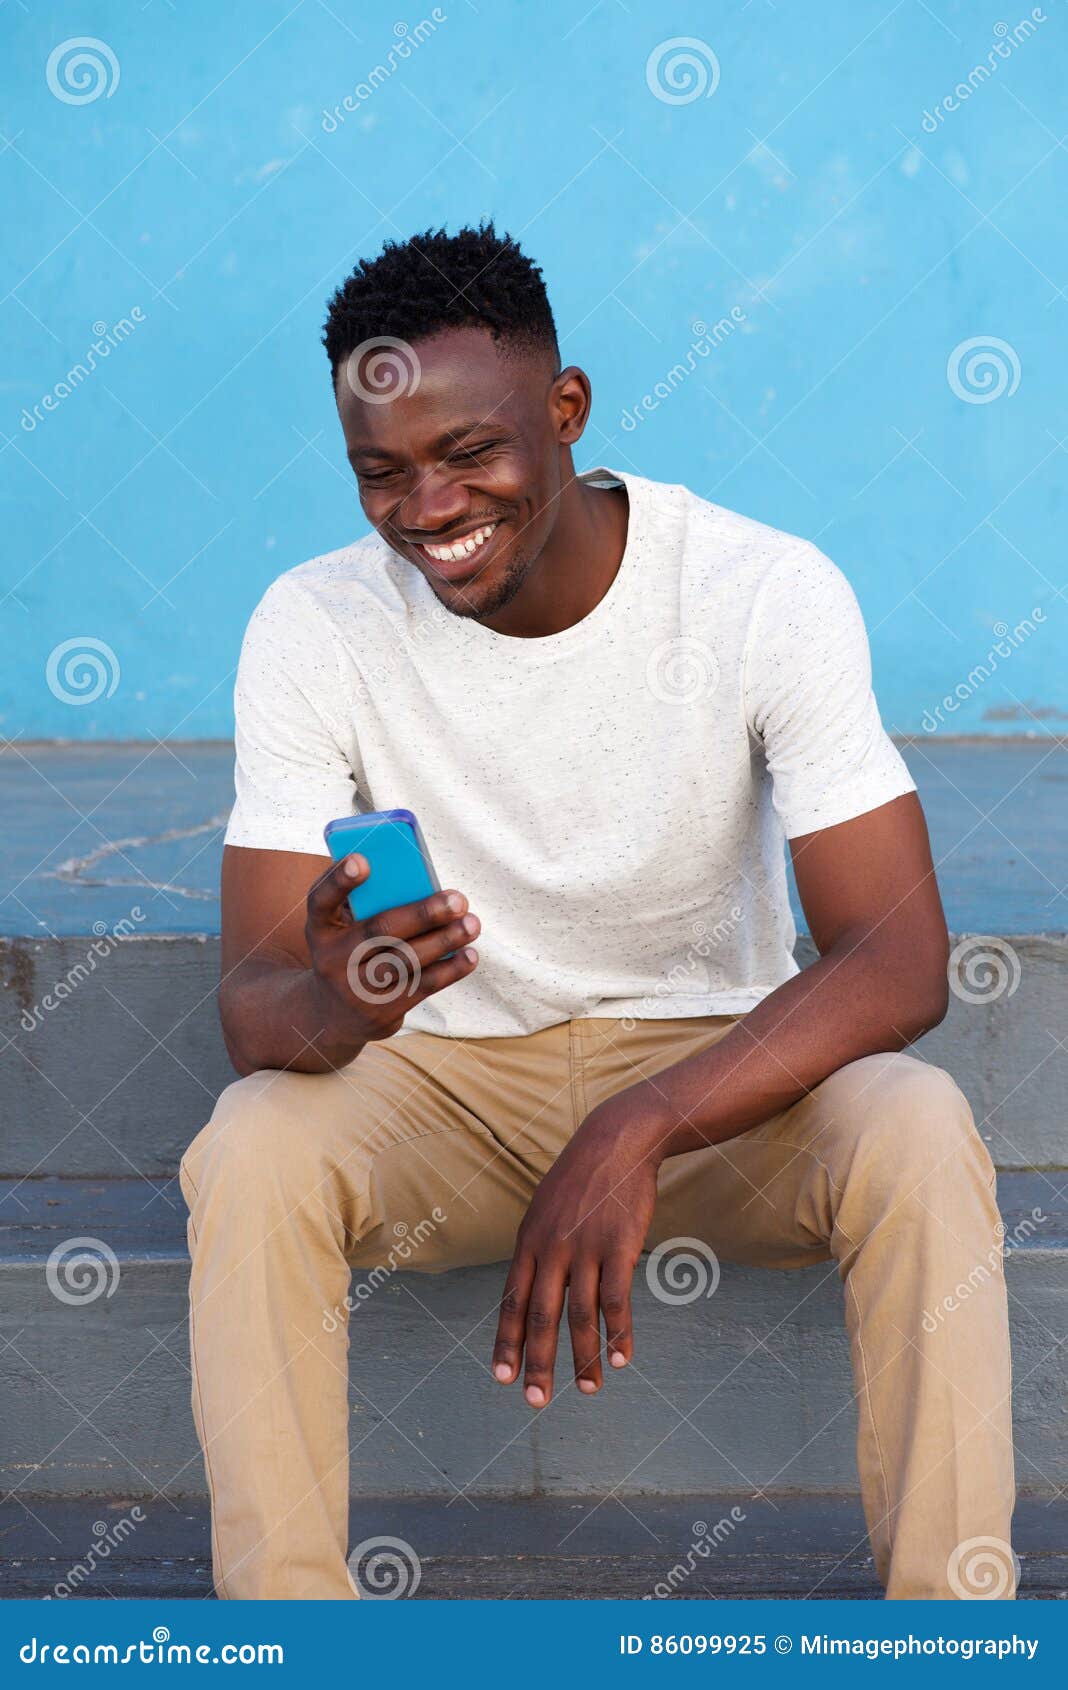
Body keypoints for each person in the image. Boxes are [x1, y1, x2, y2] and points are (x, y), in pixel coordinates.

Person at [179, 223, 1014, 1600]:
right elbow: (253, 1006)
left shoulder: (758, 590)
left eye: (470, 456)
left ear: (567, 412)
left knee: (919, 1127)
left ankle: (950, 1625)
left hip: (709, 1077)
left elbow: (900, 955)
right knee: (254, 1145)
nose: (429, 509)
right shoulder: (311, 623)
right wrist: (338, 1001)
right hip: (442, 1086)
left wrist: (640, 1122)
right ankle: (298, 1636)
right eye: (382, 473)